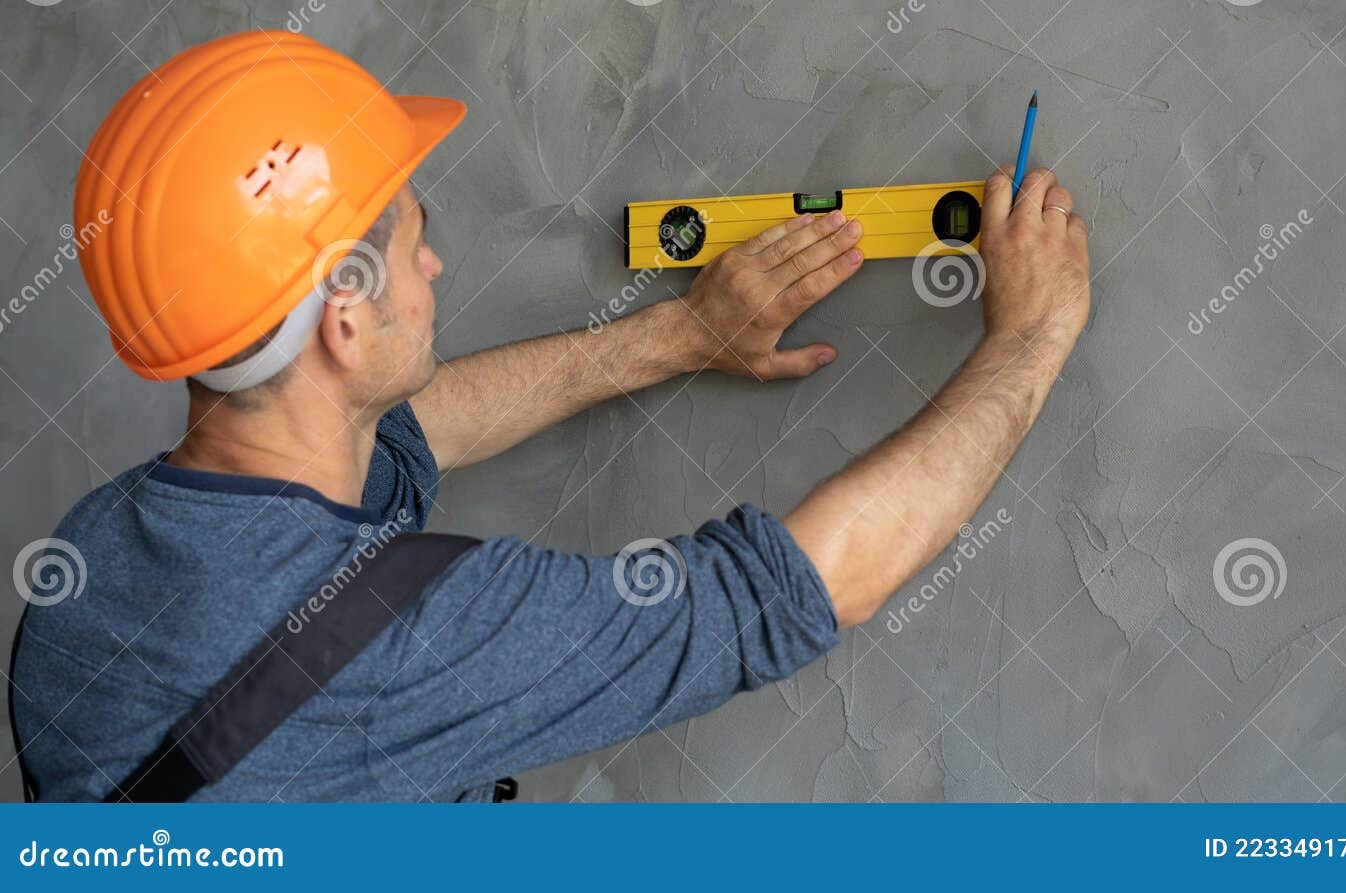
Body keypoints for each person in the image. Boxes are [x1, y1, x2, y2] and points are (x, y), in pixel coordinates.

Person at [9, 30, 1089, 801]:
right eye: (412, 241)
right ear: (342, 323)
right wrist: (1029, 338)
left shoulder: (94, 559)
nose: (433, 263)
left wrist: (678, 335)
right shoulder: (410, 643)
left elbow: (405, 430)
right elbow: (792, 589)